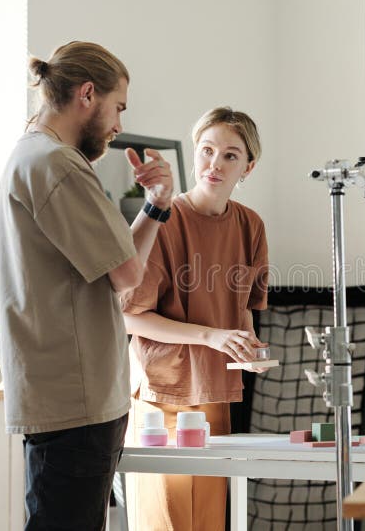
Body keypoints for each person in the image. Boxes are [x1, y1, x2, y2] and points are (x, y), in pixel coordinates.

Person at [0, 41, 174, 530]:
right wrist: (157, 205)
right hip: (78, 401)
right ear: (88, 94)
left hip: (59, 393)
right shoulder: (58, 164)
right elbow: (128, 274)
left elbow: (113, 268)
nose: (118, 125)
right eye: (118, 107)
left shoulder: (30, 155)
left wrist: (155, 204)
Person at [120, 106, 269, 530]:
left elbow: (241, 309)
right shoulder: (162, 223)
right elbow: (130, 317)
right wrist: (211, 336)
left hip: (214, 390)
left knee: (206, 519)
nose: (215, 163)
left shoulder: (250, 226)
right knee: (165, 519)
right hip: (161, 393)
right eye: (207, 150)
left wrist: (248, 347)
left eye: (230, 155)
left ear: (248, 166)